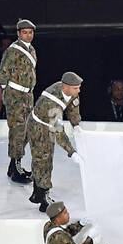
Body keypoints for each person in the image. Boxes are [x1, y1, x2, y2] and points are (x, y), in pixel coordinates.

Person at [26, 71, 82, 211]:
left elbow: (73, 107)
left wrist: (76, 125)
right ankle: (44, 198)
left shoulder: (69, 91)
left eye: (79, 87)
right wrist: (71, 151)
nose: (78, 90)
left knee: (43, 159)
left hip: (48, 123)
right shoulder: (52, 104)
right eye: (76, 88)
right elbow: (58, 132)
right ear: (65, 87)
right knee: (43, 159)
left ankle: (37, 193)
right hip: (38, 127)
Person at [0, 19, 38, 184]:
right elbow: (2, 73)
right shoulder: (13, 51)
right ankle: (16, 167)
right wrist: (9, 90)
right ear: (19, 34)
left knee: (26, 131)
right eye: (25, 32)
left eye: (30, 32)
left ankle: (13, 165)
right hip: (16, 96)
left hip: (28, 96)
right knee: (18, 131)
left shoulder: (31, 49)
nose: (28, 35)